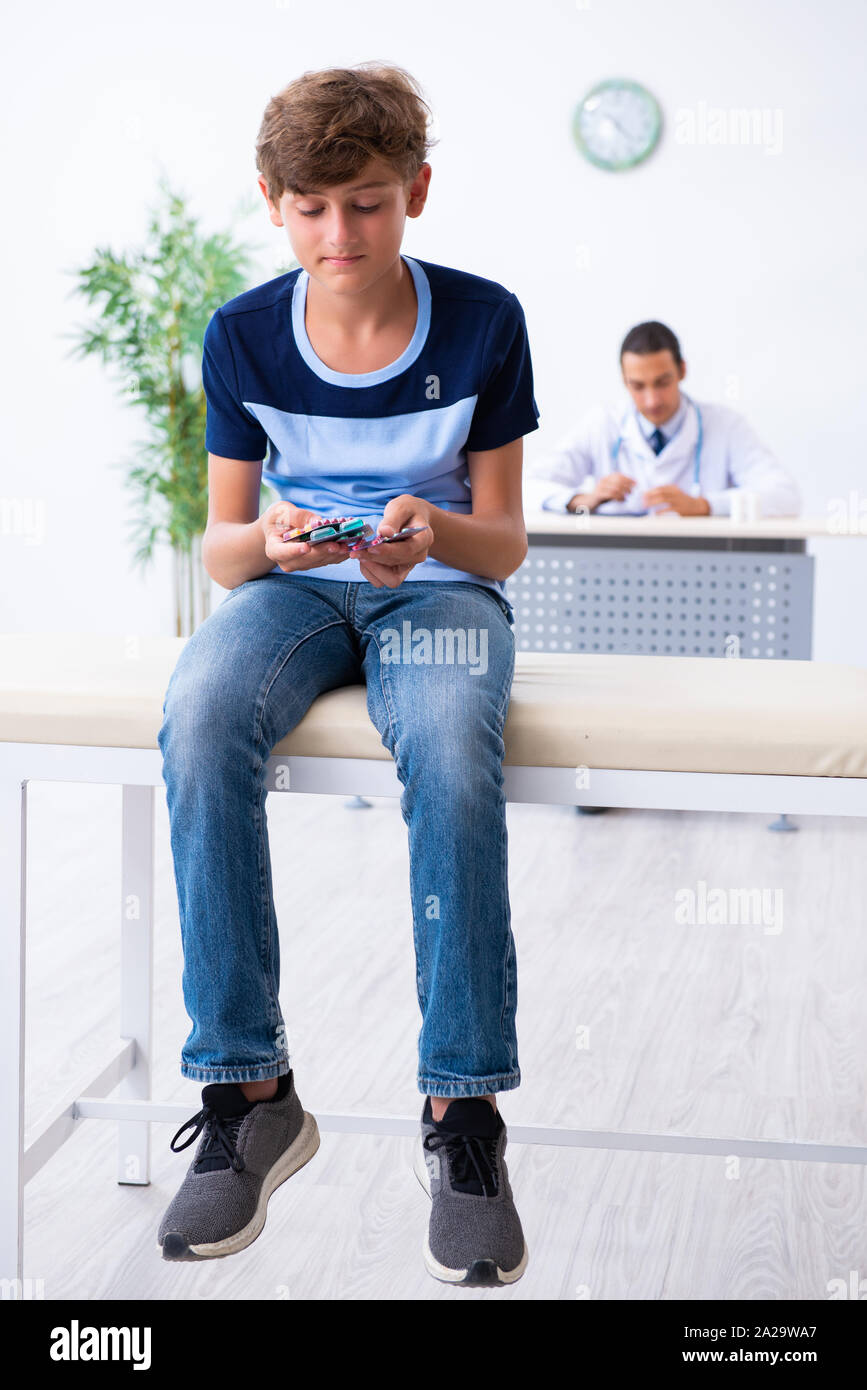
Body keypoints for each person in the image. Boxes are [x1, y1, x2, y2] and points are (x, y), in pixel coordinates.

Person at [155, 62, 539, 1288]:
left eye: (367, 202)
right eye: (314, 206)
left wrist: (434, 536)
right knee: (204, 713)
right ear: (273, 202)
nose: (341, 232)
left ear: (415, 191)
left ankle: (461, 1114)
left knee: (452, 759)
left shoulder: (484, 320)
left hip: (435, 588)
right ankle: (248, 1087)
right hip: (297, 584)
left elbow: (506, 539)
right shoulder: (242, 335)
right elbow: (222, 544)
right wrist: (265, 542)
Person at [523, 320, 800, 518]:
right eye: (638, 386)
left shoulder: (726, 426)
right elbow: (527, 489)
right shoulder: (603, 424)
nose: (652, 400)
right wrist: (581, 499)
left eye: (662, 382)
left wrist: (704, 506)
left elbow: (785, 497)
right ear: (624, 380)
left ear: (682, 370)